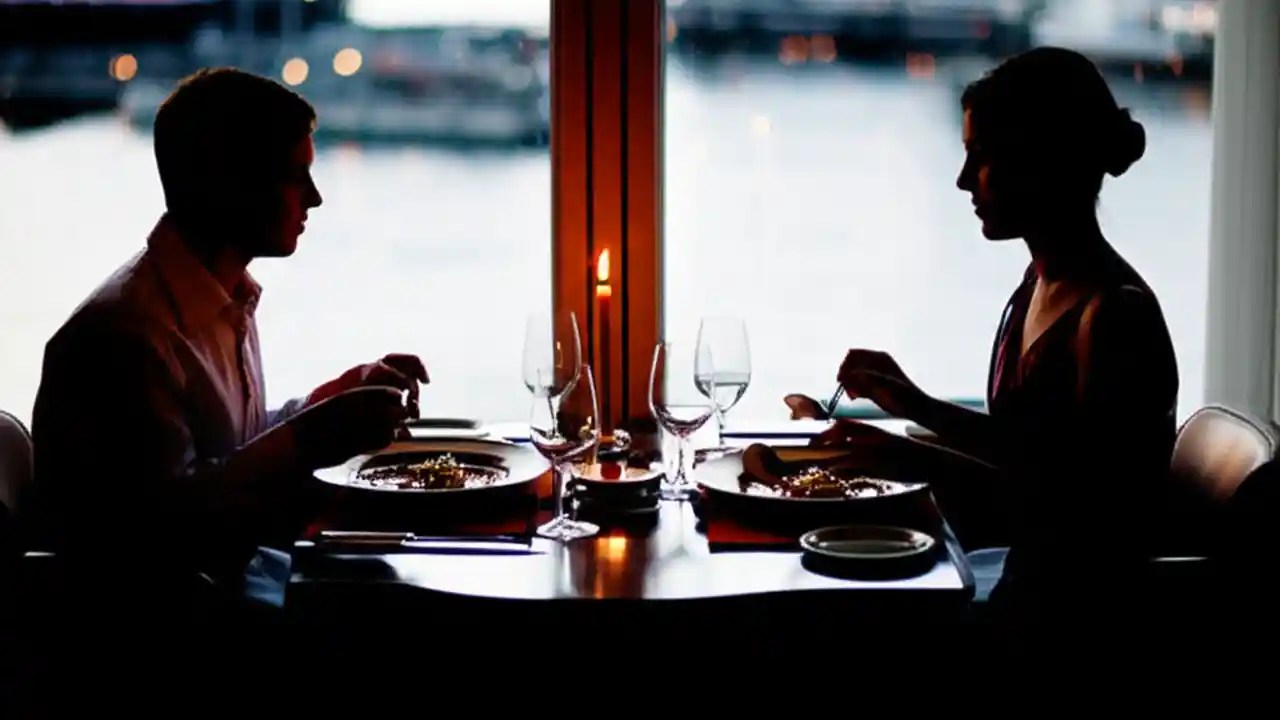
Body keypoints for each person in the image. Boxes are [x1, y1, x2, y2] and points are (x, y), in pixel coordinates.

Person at [19, 68, 429, 614]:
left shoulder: (218, 299)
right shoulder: (120, 339)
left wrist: (329, 400)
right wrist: (310, 439)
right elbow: (168, 531)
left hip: (238, 584)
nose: (315, 197)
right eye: (295, 175)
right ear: (228, 182)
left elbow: (227, 451)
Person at [817, 48, 1179, 653]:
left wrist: (907, 457)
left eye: (979, 156)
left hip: (1065, 628)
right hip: (1028, 597)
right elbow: (1040, 454)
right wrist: (913, 406)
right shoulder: (1040, 285)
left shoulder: (1115, 317)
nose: (963, 180)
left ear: (1038, 161)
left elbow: (1074, 514)